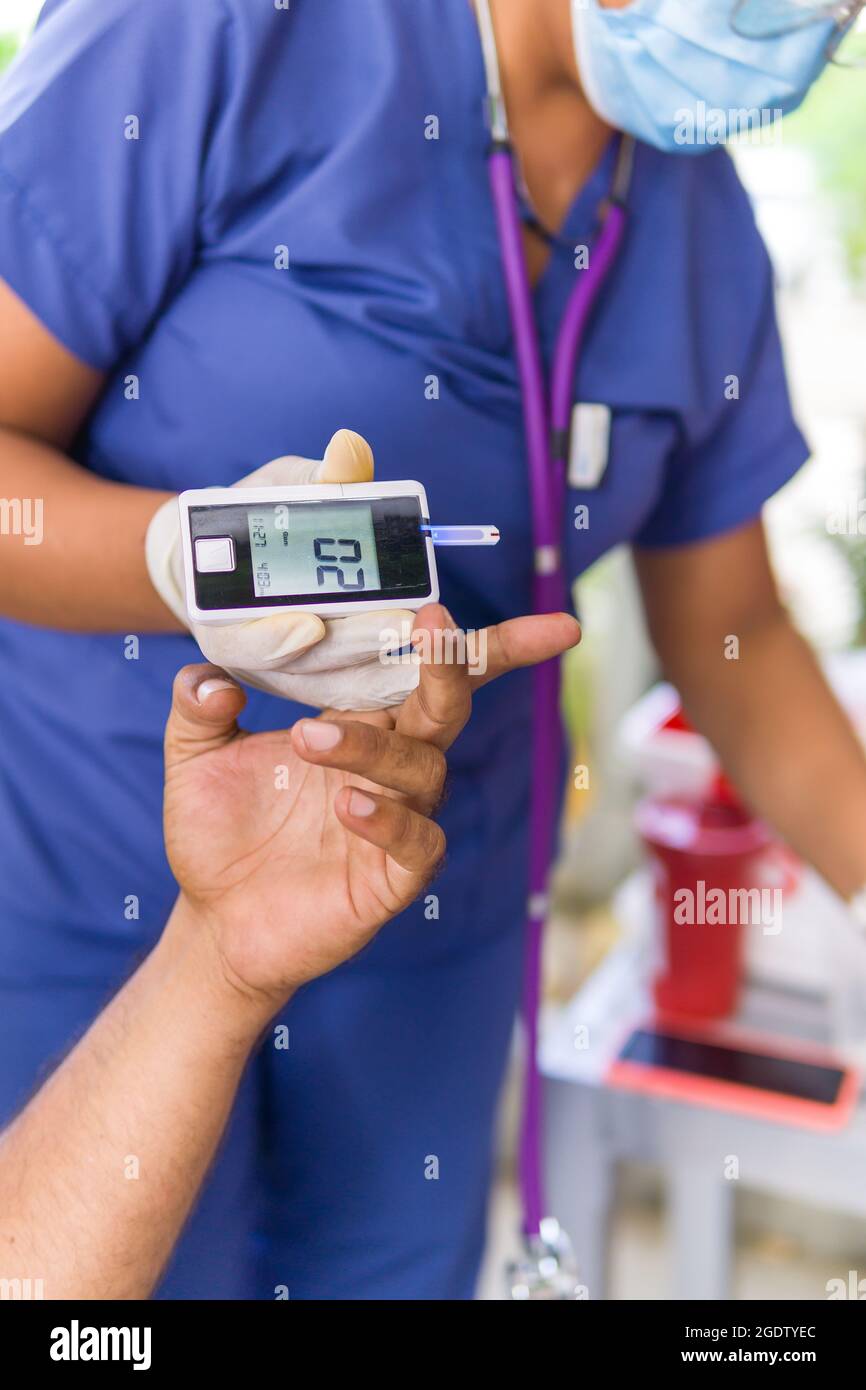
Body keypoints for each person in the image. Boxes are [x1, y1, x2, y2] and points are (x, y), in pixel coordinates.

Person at [0, 0, 864, 1301]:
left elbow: (728, 628)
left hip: (421, 904)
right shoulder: (219, 35)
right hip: (89, 887)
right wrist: (175, 557)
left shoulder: (696, 220)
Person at [0, 608, 580, 1298]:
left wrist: (217, 951)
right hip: (88, 858)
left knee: (389, 1262)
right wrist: (169, 553)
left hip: (386, 869)